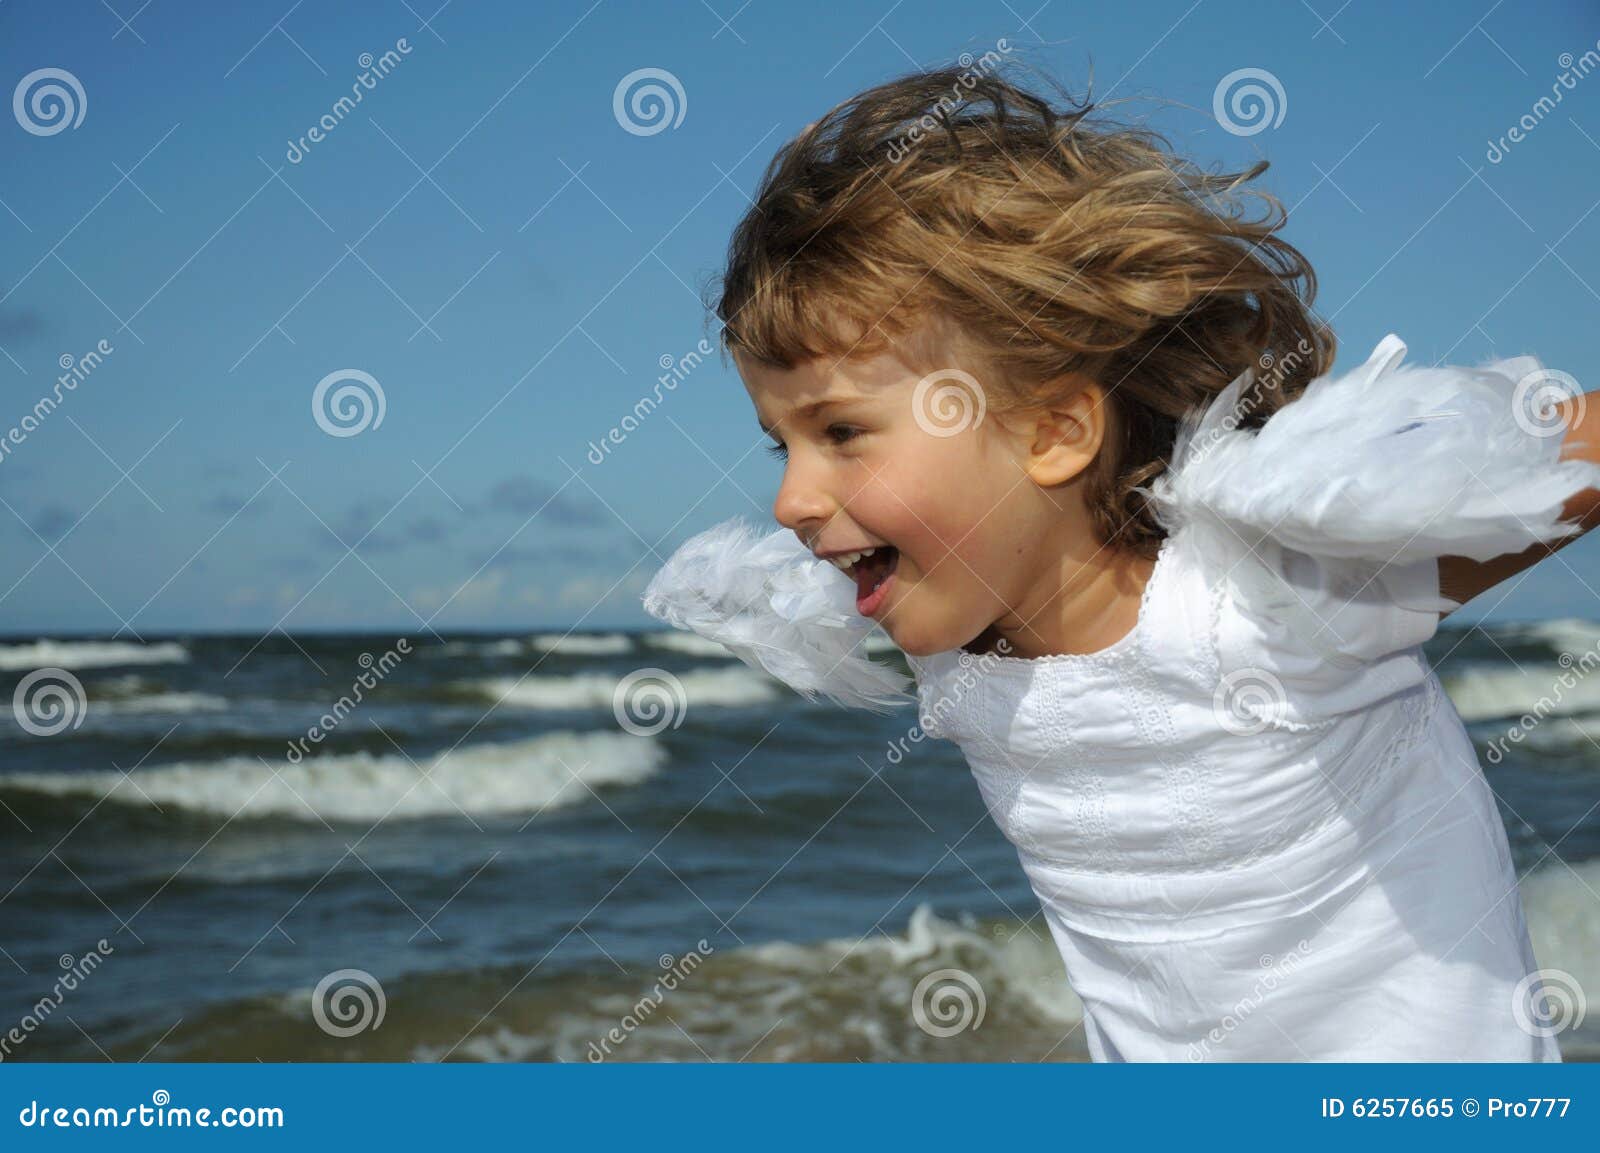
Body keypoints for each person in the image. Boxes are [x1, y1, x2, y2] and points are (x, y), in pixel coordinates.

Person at [646, 63, 1600, 1060]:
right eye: (780, 444)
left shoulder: (1278, 590)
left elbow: (1557, 460)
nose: (789, 500)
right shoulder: (950, 637)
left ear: (1054, 429)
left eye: (841, 431)